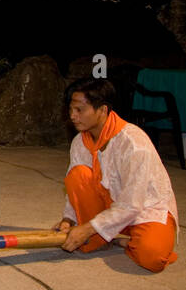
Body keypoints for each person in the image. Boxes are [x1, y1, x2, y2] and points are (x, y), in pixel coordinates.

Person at [55, 78, 179, 273]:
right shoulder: (80, 141)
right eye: (71, 109)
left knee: (151, 257)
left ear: (102, 110)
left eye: (79, 110)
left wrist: (87, 228)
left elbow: (132, 204)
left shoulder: (133, 142)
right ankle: (106, 236)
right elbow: (76, 188)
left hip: (144, 210)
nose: (72, 116)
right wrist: (68, 220)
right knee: (77, 174)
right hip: (110, 206)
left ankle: (117, 239)